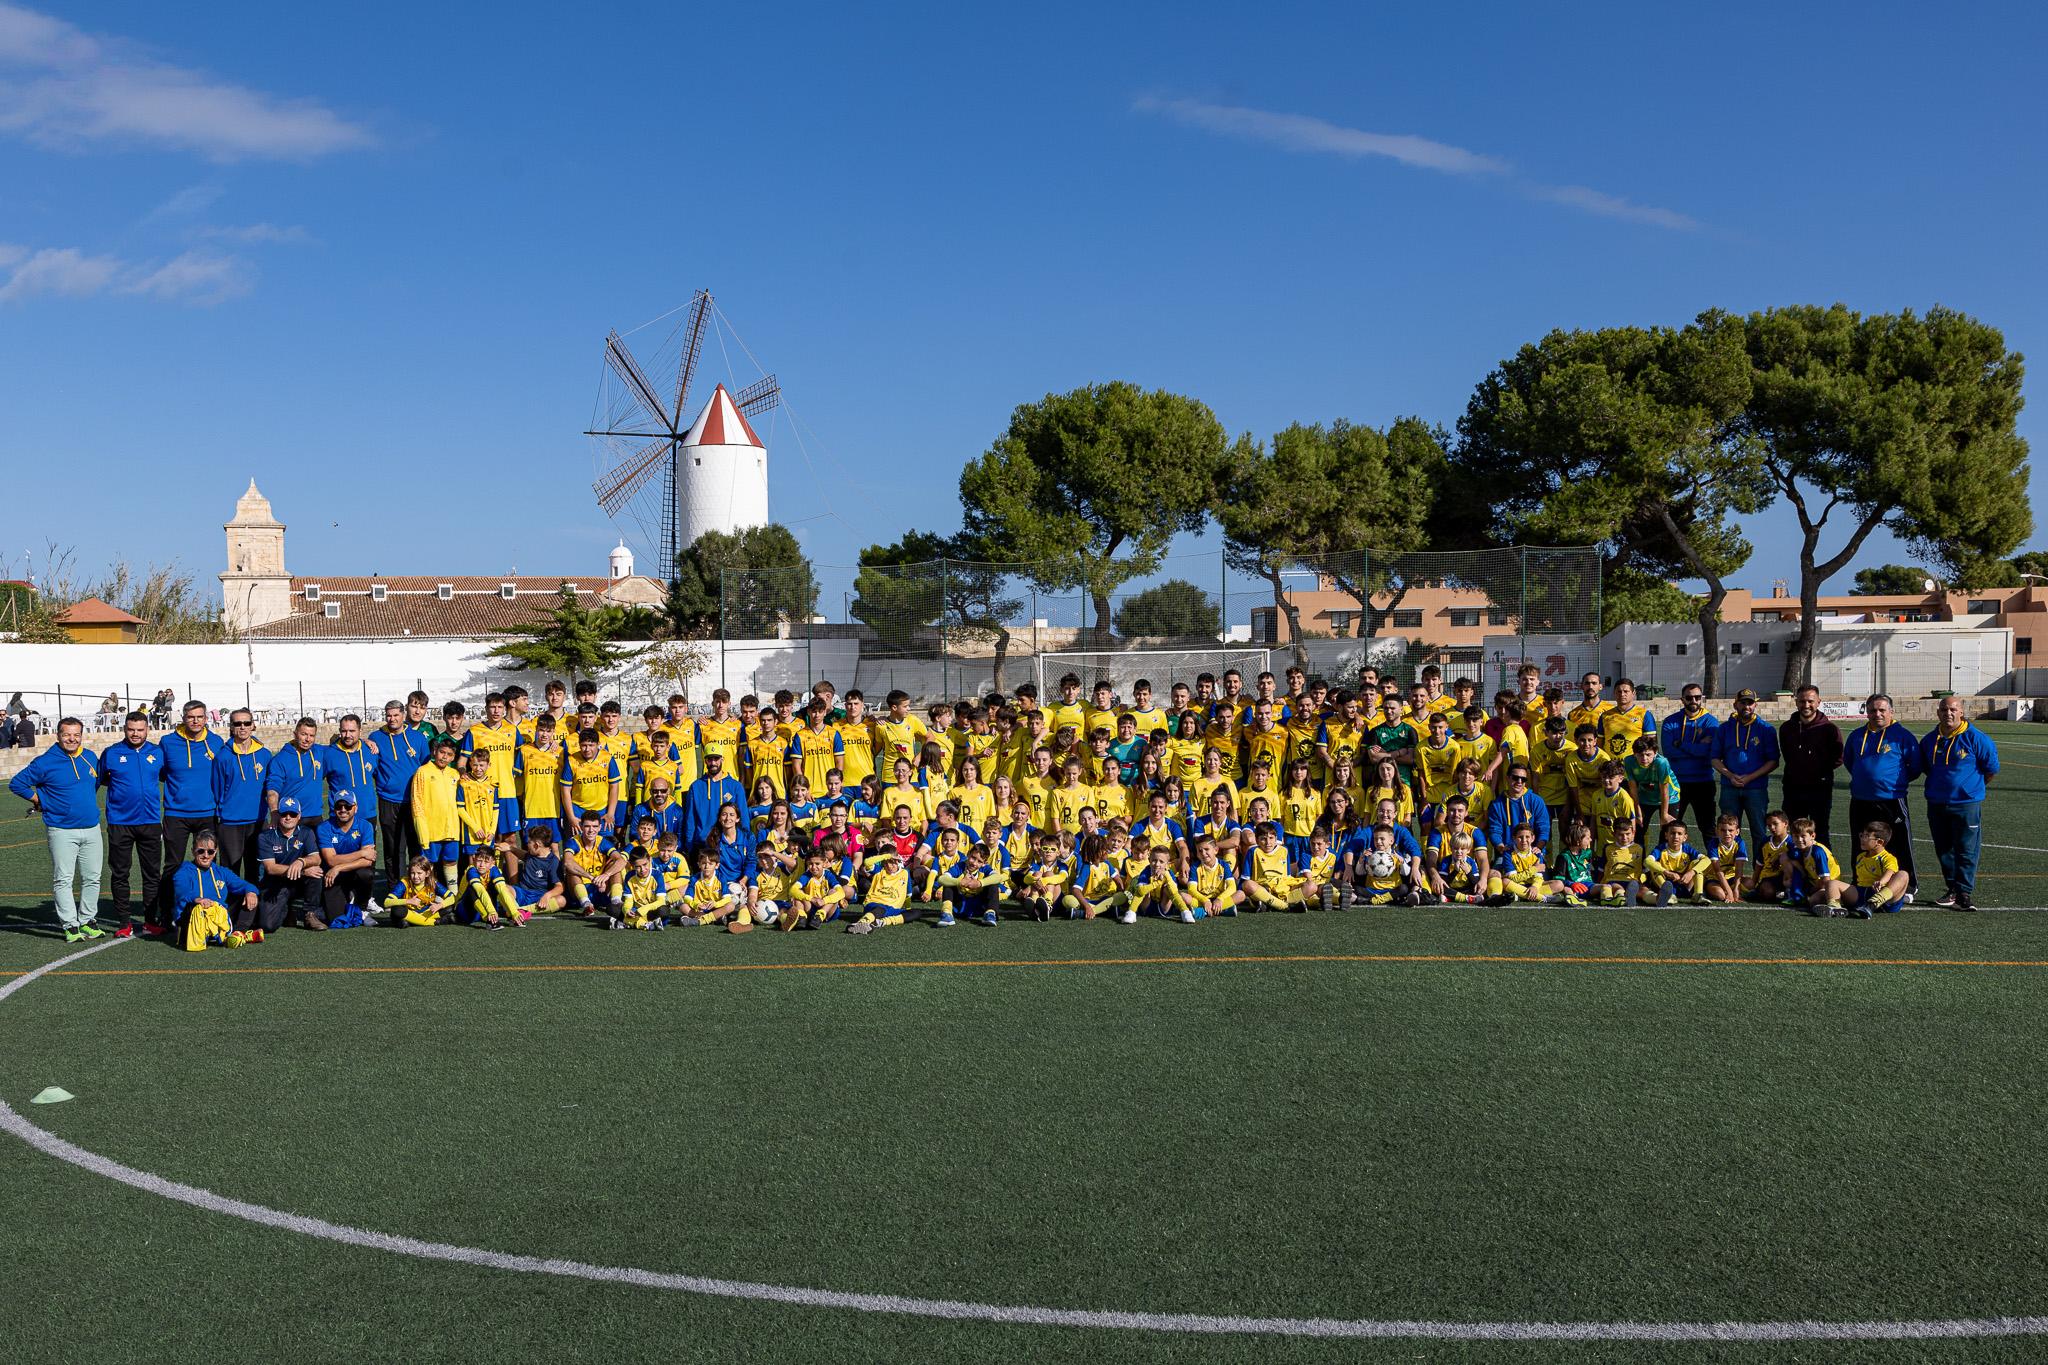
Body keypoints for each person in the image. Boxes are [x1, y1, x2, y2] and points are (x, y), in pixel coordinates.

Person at [9, 717, 105, 941]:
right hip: (61, 830)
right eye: (67, 734)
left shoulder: (90, 757)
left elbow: (95, 784)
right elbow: (17, 783)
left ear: (82, 735)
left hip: (92, 828)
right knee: (64, 879)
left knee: (93, 878)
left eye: (76, 734)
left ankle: (88, 920)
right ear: (58, 735)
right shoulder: (45, 762)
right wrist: (38, 800)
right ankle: (70, 925)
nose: (72, 739)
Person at [1919, 695, 1999, 912]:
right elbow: (1927, 767)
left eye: (1953, 709)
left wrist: (1970, 789)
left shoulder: (1976, 738)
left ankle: (1964, 892)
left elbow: (1990, 769)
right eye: (1944, 709)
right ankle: (1952, 888)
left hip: (1966, 804)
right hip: (1936, 803)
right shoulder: (1928, 740)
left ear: (1962, 712)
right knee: (1944, 849)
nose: (1949, 713)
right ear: (1938, 712)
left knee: (1966, 849)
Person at [1841, 693, 1921, 900]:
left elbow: (1915, 767)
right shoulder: (1857, 736)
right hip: (1860, 799)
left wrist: (1893, 782)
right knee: (1861, 842)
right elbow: (1850, 762)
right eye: (1873, 710)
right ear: (1866, 712)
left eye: (1882, 710)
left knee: (1899, 842)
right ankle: (1860, 882)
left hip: (1892, 799)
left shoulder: (1902, 736)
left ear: (1891, 712)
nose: (1877, 714)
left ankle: (1908, 885)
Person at [158, 699, 224, 926]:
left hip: (207, 812)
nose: (195, 721)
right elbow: (160, 772)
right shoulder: (167, 742)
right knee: (173, 865)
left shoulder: (216, 742)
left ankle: (212, 910)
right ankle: (167, 913)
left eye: (199, 717)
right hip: (176, 813)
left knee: (207, 864)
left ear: (206, 719)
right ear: (183, 718)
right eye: (190, 717)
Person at [100, 711, 166, 937]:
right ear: (124, 729)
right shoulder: (111, 753)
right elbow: (101, 779)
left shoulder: (157, 753)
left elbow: (166, 776)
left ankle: (150, 919)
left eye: (140, 729)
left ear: (147, 729)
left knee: (151, 874)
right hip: (120, 823)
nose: (135, 733)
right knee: (120, 874)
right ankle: (124, 922)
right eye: (131, 729)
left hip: (150, 822)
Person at [366, 700, 431, 888]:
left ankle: (418, 886)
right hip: (388, 800)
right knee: (393, 848)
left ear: (403, 715)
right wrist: (365, 741)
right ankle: (396, 888)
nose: (392, 719)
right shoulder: (376, 737)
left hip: (414, 801)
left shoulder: (417, 738)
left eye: (396, 715)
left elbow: (426, 769)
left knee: (416, 845)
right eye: (389, 715)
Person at [1712, 689, 1778, 853]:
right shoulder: (1724, 728)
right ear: (1735, 705)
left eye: (1750, 703)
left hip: (1756, 788)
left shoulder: (1766, 729)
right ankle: (1732, 872)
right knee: (1728, 833)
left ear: (1756, 704)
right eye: (1743, 703)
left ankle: (1760, 872)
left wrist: (1750, 778)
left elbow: (1773, 761)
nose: (1746, 706)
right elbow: (1714, 758)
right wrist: (1729, 775)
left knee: (1759, 832)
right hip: (1729, 787)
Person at [1776, 684, 1842, 850]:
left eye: (1810, 701)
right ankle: (1795, 871)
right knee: (1794, 829)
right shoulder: (1786, 728)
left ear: (1818, 702)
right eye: (1802, 701)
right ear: (1796, 702)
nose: (1806, 705)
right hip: (1793, 787)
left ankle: (1824, 871)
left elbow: (1838, 758)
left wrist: (1818, 772)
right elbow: (1787, 754)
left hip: (1820, 788)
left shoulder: (1830, 729)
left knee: (1820, 830)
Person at [168, 833, 258, 945]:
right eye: (201, 851)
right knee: (193, 906)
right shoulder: (184, 871)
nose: (206, 855)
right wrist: (198, 899)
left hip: (218, 916)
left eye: (210, 851)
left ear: (215, 852)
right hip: (193, 917)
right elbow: (182, 892)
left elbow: (245, 885)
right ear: (193, 851)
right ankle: (227, 936)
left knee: (249, 896)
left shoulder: (221, 871)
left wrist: (251, 892)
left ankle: (238, 933)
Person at [211, 708, 270, 881]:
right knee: (230, 871)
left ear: (253, 726)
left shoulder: (265, 755)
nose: (242, 727)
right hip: (230, 823)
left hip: (258, 821)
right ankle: (231, 907)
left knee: (256, 869)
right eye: (237, 723)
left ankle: (254, 907)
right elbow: (217, 788)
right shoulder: (223, 756)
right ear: (231, 727)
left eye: (246, 723)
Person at [1659, 685, 1718, 849]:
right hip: (1675, 783)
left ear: (1702, 698)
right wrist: (1696, 747)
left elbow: (1708, 751)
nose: (1694, 701)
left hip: (1703, 781)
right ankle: (1661, 868)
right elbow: (1669, 751)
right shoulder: (1670, 721)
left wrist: (1681, 744)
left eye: (1697, 697)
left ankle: (1717, 867)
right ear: (1682, 699)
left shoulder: (1711, 722)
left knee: (1708, 828)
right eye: (1689, 697)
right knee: (1668, 827)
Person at [254, 798, 323, 933]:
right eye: (284, 814)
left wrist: (301, 862)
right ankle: (287, 910)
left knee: (316, 872)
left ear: (299, 816)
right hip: (275, 883)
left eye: (292, 814)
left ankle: (310, 914)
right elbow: (271, 868)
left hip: (298, 883)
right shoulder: (265, 837)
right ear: (278, 815)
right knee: (267, 926)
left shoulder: (306, 832)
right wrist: (302, 872)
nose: (288, 818)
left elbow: (316, 858)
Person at [313, 790, 377, 929]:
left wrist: (339, 867)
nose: (343, 810)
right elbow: (331, 860)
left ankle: (362, 909)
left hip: (348, 872)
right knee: (336, 920)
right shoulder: (324, 828)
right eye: (339, 806)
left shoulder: (365, 826)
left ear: (355, 807)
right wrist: (361, 853)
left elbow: (368, 861)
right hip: (334, 878)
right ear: (333, 808)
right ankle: (334, 903)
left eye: (347, 806)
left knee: (366, 874)